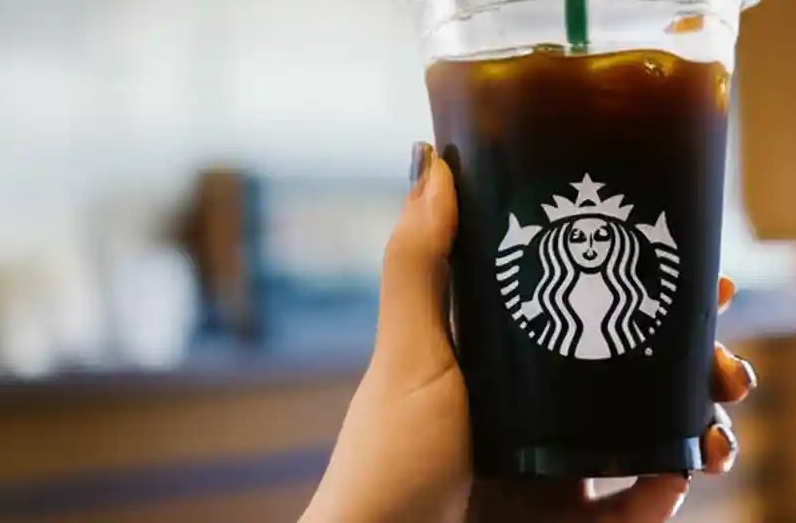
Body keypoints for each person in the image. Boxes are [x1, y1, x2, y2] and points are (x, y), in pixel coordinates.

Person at [301, 144, 757, 522]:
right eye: (578, 238)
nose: (590, 248)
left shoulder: (629, 300)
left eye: (602, 238)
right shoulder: (550, 300)